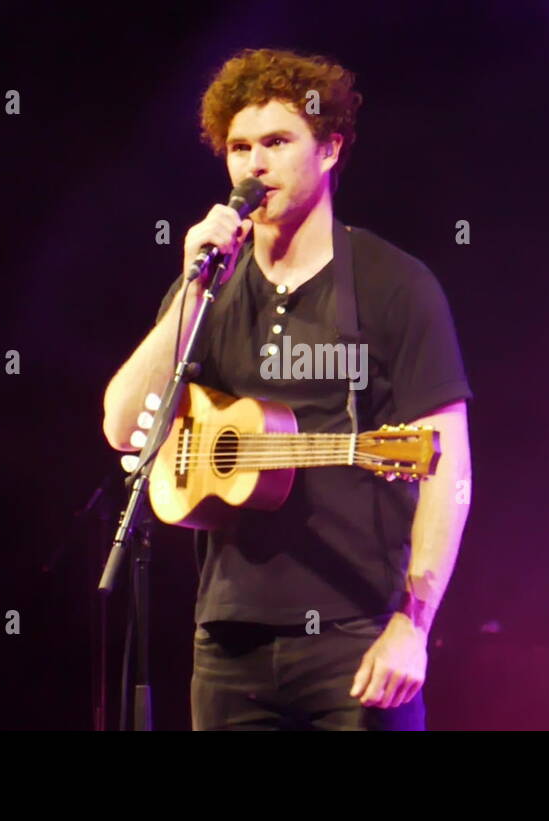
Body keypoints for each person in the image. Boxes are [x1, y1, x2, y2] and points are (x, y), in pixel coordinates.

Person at [102, 48, 472, 730]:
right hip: (227, 645)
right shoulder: (210, 290)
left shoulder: (397, 285)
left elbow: (449, 471)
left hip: (358, 643)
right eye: (239, 147)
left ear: (329, 150)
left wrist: (413, 625)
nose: (254, 164)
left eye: (276, 142)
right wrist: (190, 287)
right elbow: (124, 425)